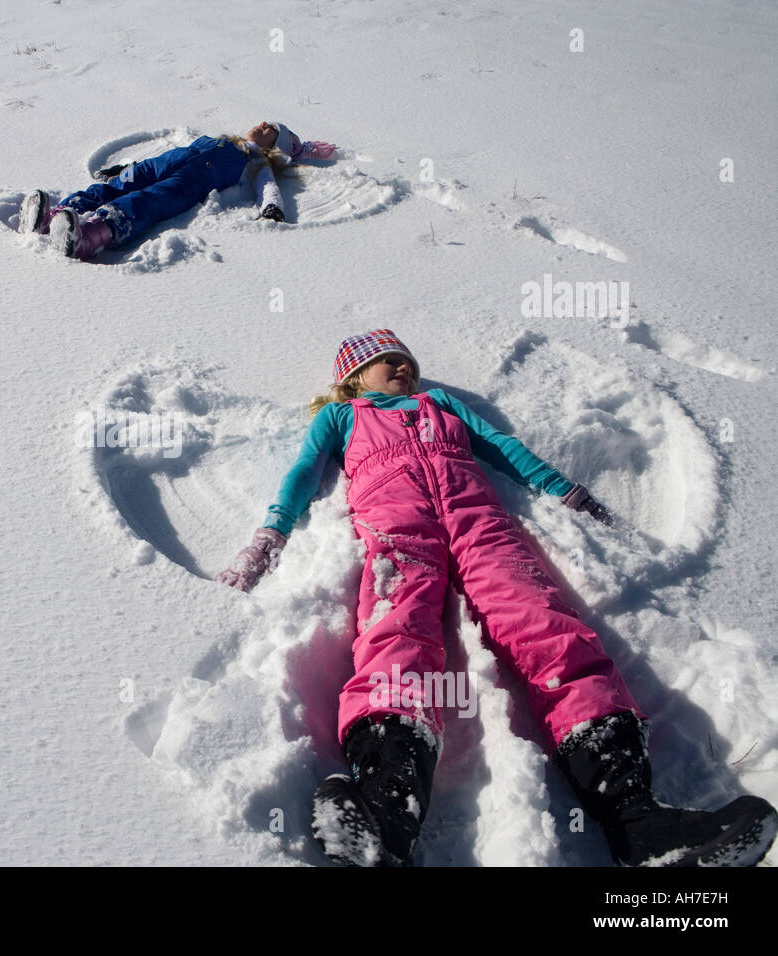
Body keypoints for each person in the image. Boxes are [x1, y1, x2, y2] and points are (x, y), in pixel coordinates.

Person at [216, 328, 778, 867]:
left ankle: (637, 820)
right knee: (396, 630)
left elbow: (504, 449)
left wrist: (569, 493)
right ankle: (387, 806)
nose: (405, 367)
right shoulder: (343, 416)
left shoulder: (439, 405)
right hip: (397, 531)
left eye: (409, 359)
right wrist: (270, 534)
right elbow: (300, 473)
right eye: (391, 360)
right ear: (356, 376)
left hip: (481, 527)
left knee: (546, 626)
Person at [18, 121, 337, 259]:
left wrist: (272, 207)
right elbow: (176, 151)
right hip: (156, 165)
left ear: (274, 149)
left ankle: (90, 236)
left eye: (271, 131)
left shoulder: (257, 163)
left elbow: (268, 189)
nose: (264, 126)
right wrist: (123, 166)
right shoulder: (223, 138)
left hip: (188, 184)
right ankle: (56, 217)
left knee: (144, 201)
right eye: (266, 123)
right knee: (119, 184)